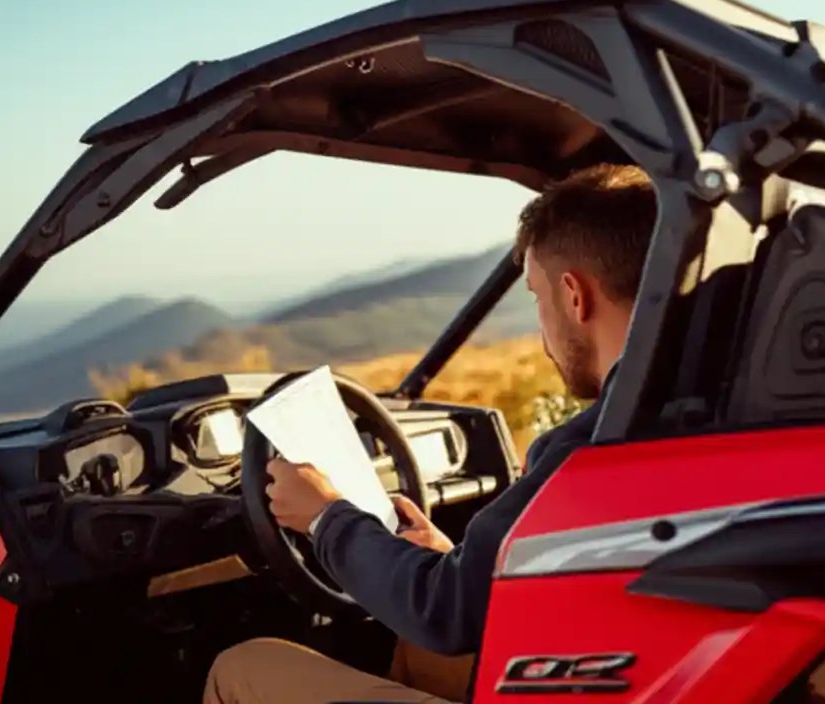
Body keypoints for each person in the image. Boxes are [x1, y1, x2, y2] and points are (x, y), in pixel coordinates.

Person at [203, 163, 659, 704]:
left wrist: (324, 517)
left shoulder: (595, 447)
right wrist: (457, 562)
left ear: (574, 295)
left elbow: (443, 613)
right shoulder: (682, 415)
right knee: (420, 648)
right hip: (627, 668)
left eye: (536, 297)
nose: (543, 328)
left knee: (245, 665)